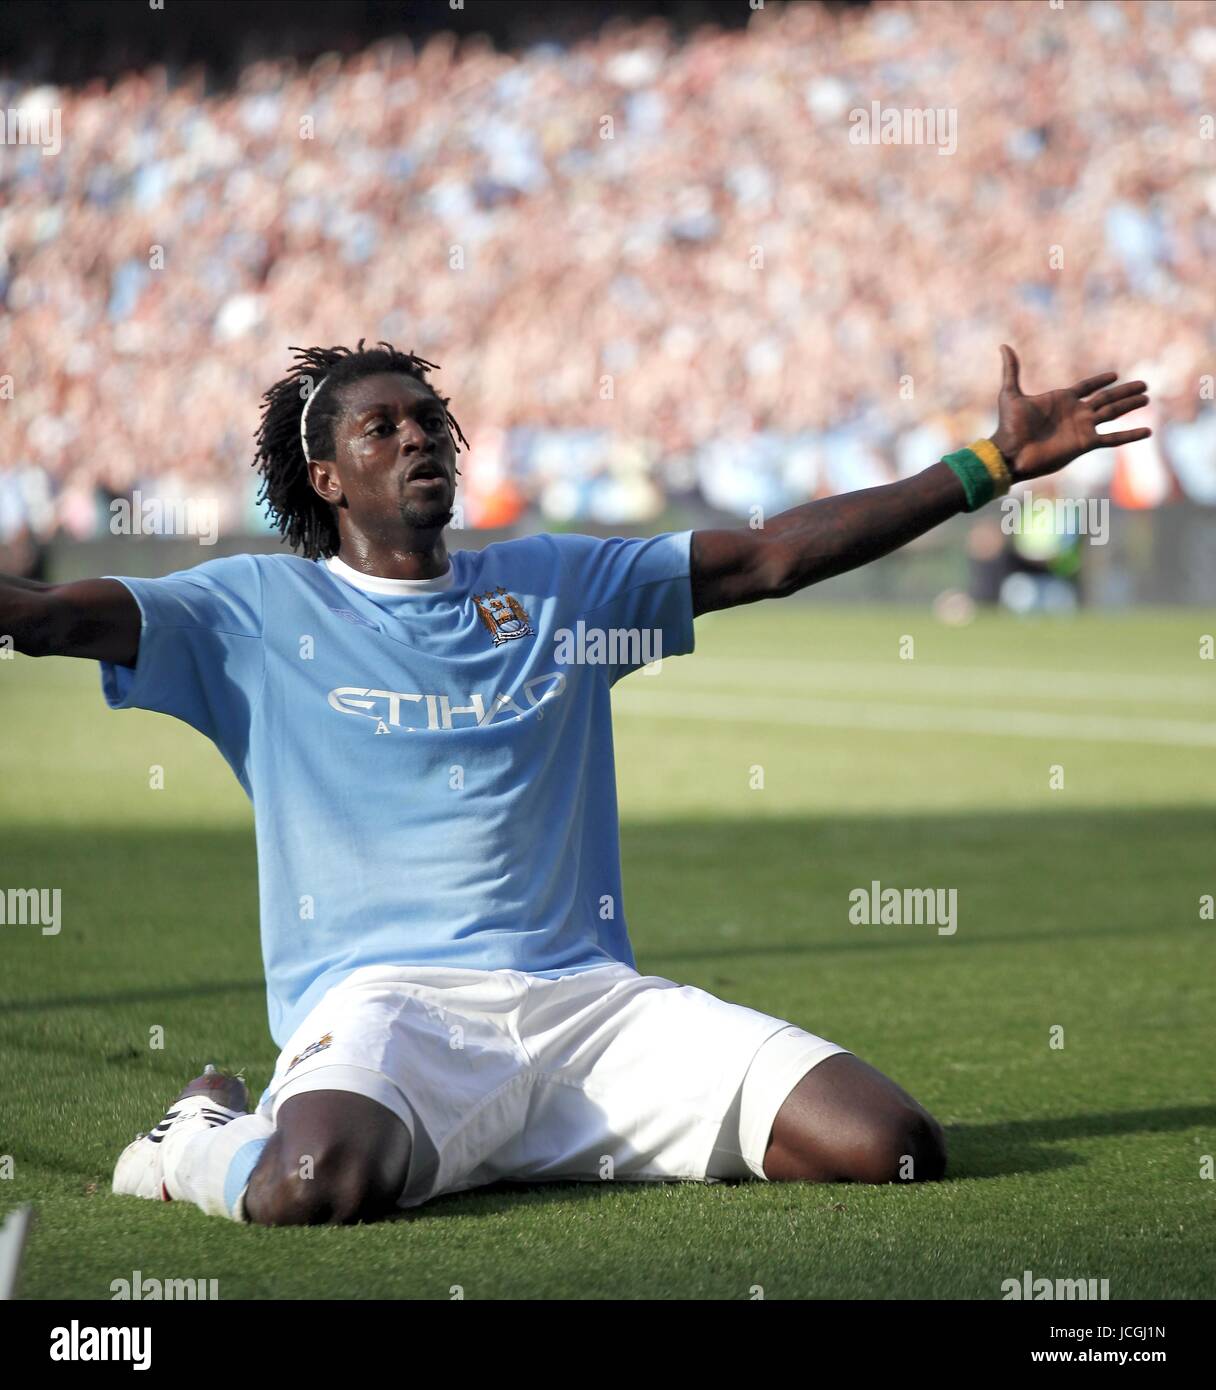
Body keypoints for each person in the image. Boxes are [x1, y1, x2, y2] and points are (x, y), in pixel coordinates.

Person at [2, 340, 1149, 1224]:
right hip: (387, 1010)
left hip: (589, 1007)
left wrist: (987, 464)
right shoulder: (247, 610)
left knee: (890, 1144)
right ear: (324, 475)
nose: (421, 438)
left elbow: (770, 556)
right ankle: (198, 1130)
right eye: (383, 426)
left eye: (432, 418)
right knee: (310, 1184)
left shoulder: (559, 580)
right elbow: (51, 619)